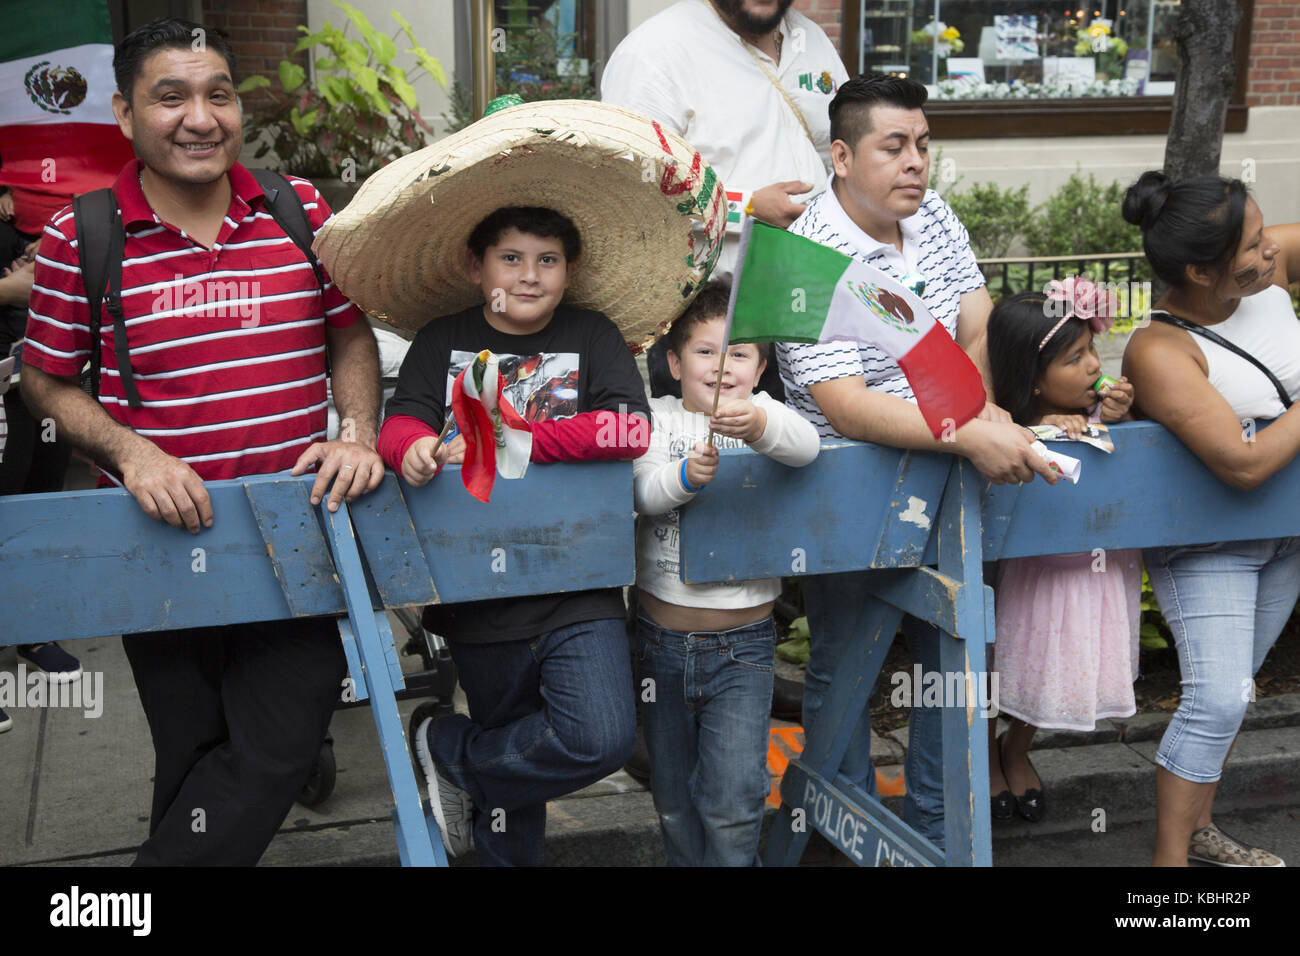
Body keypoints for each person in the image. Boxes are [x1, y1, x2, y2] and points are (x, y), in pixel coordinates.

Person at [19, 18, 383, 864]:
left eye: (218, 94)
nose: (200, 116)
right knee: (192, 754)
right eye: (170, 96)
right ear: (123, 112)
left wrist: (357, 429)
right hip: (153, 545)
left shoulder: (300, 209)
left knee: (279, 747)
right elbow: (44, 378)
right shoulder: (85, 236)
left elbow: (349, 336)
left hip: (297, 526)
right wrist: (133, 453)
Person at [775, 73, 1057, 850]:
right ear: (840, 155)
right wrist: (966, 430)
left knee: (952, 664)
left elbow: (977, 324)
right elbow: (842, 401)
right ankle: (842, 837)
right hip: (849, 483)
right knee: (845, 664)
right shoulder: (808, 251)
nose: (916, 164)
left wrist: (976, 407)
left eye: (924, 145)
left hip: (946, 463)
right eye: (893, 147)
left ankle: (940, 834)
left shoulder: (933, 215)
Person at [379, 205, 652, 865]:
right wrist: (412, 448)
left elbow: (630, 430)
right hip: (477, 589)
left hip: (579, 580)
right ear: (478, 268)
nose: (530, 276)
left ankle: (449, 752)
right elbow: (400, 423)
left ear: (569, 270)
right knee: (515, 784)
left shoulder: (592, 335)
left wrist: (514, 439)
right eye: (512, 258)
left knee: (602, 738)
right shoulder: (443, 340)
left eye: (548, 260)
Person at [1122, 170, 1300, 867]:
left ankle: (1200, 835)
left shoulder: (1264, 273)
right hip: (1213, 543)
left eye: (1265, 236)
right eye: (1251, 249)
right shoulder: (1161, 349)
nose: (1269, 254)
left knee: (1233, 693)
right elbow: (1242, 463)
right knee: (1218, 700)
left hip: (1285, 536)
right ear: (1200, 269)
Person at [632, 281, 819, 865]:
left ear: (760, 368)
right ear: (674, 361)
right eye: (706, 351)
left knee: (734, 799)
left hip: (745, 646)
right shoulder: (656, 421)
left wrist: (759, 426)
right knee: (672, 798)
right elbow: (643, 493)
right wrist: (685, 477)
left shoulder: (769, 420)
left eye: (739, 353)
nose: (722, 366)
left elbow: (807, 447)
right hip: (660, 642)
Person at [984, 282, 1139, 823]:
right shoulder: (1006, 426)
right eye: (1075, 359)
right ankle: (984, 752)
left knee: (1062, 668)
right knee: (1006, 667)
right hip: (1035, 576)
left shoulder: (1096, 411)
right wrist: (1045, 429)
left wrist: (1113, 415)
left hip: (1093, 576)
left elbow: (1119, 454)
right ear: (1032, 377)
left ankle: (1016, 748)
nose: (1094, 365)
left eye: (1091, 349)